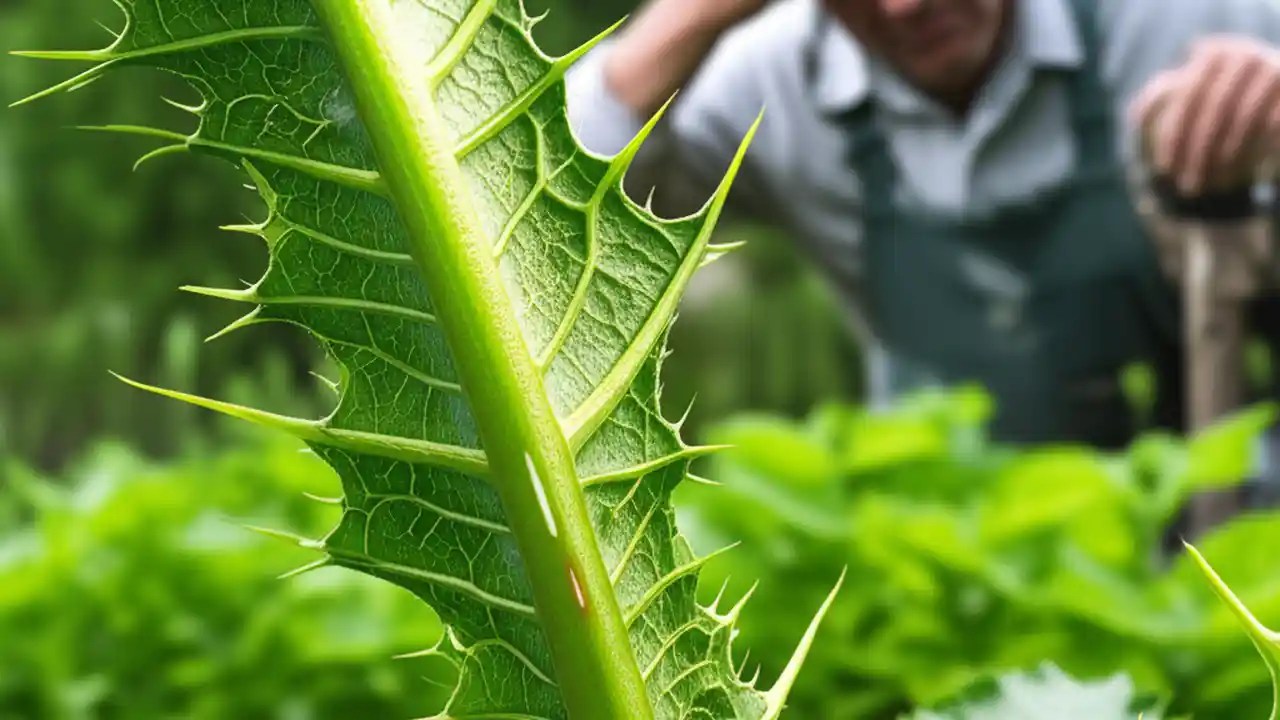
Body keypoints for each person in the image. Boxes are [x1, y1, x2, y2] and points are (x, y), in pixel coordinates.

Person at [566, 0, 1280, 447]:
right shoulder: (772, 81)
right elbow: (558, 201)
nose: (903, 8)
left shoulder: (1190, 17)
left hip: (1233, 544)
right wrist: (689, 18)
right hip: (948, 558)